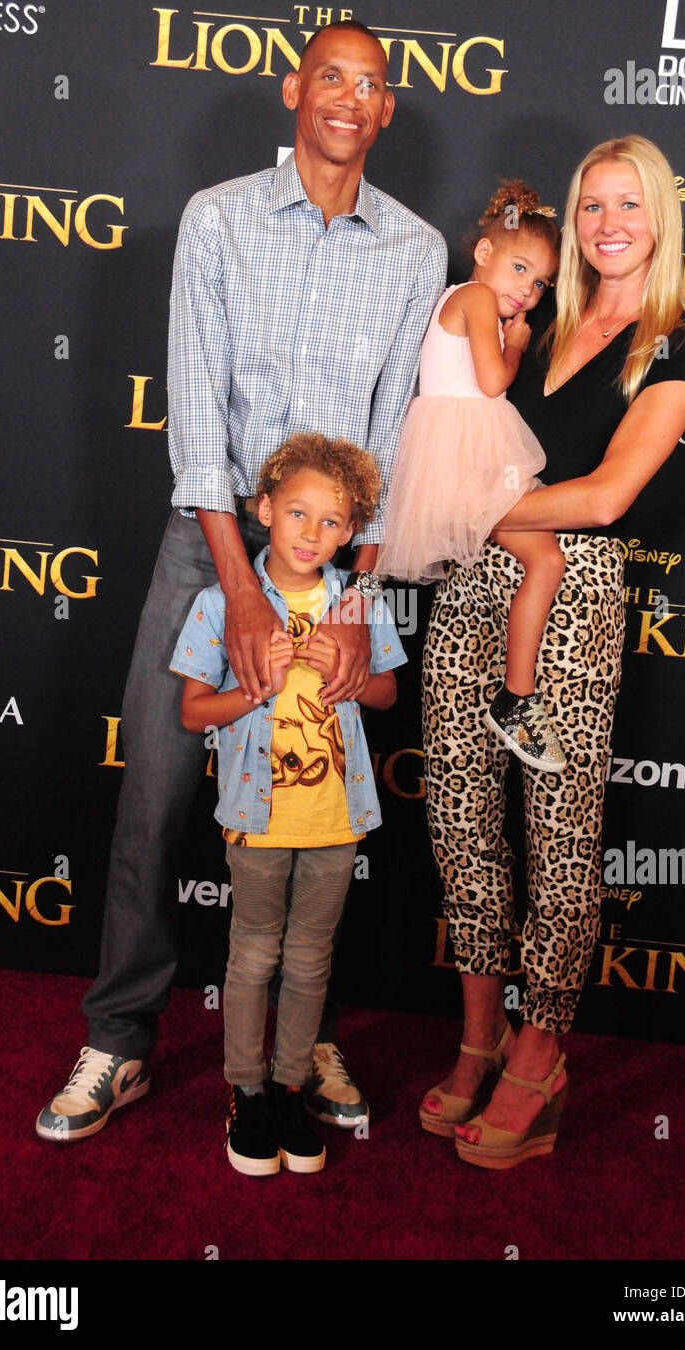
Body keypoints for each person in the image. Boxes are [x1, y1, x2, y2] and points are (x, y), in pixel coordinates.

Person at [35, 20, 446, 1143]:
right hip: (210, 547)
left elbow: (392, 437)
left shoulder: (415, 250)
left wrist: (355, 598)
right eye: (331, 77)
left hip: (337, 573)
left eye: (371, 85)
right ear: (293, 90)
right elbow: (197, 408)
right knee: (156, 796)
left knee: (319, 808)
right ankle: (120, 1039)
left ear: (387, 110)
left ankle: (302, 1043)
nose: (349, 98)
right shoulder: (217, 219)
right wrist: (243, 585)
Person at [420, 135, 685, 1168]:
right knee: (460, 814)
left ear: (660, 215)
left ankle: (540, 1052)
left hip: (570, 593)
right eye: (592, 204)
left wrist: (466, 509)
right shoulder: (534, 318)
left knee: (558, 833)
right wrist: (461, 515)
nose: (607, 224)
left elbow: (604, 497)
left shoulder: (675, 343)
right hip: (471, 582)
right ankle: (479, 1038)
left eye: (628, 204)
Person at [171, 435, 406, 1176]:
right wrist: (256, 689)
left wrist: (350, 676)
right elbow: (192, 713)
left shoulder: (360, 603)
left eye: (331, 522)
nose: (311, 533)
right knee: (252, 957)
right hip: (256, 817)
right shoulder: (221, 604)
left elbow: (386, 694)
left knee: (309, 960)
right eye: (298, 513)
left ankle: (289, 1089)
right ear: (264, 509)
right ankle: (246, 1093)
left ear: (351, 531)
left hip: (337, 819)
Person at [376, 179, 566, 772]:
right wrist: (518, 345)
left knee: (533, 563)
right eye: (519, 268)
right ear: (483, 253)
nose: (528, 290)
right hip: (465, 462)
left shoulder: (456, 296)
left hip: (455, 459)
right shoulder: (480, 299)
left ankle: (510, 695)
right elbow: (491, 382)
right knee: (548, 561)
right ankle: (516, 698)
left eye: (541, 283)